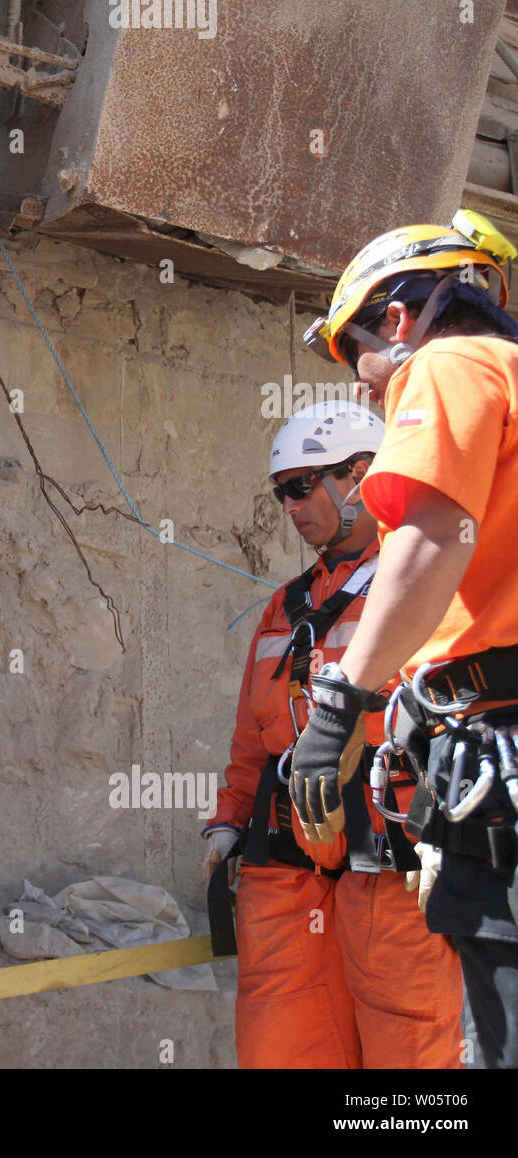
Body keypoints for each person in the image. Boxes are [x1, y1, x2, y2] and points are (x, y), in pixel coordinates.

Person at [291, 209, 518, 1069]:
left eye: (356, 356)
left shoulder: (451, 363)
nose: (362, 387)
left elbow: (430, 543)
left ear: (398, 319)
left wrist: (338, 706)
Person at [202, 400, 462, 1068]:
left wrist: (454, 832)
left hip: (394, 853)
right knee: (281, 1041)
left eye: (300, 487)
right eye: (279, 492)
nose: (289, 506)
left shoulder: (424, 582)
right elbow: (251, 735)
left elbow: (460, 715)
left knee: (409, 1045)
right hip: (287, 858)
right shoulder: (285, 607)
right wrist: (228, 821)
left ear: (361, 476)